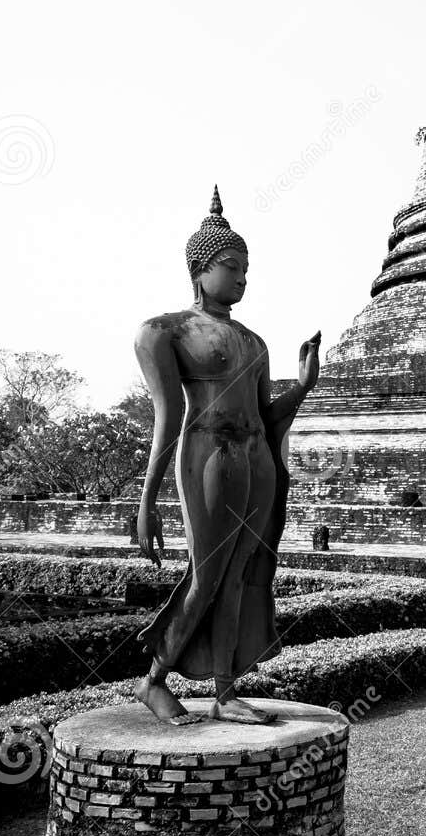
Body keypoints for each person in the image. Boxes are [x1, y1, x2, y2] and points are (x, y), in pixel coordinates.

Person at [132, 186, 319, 723]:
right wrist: (147, 503)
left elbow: (266, 418)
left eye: (245, 269)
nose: (241, 278)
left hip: (255, 459)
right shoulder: (164, 331)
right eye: (230, 265)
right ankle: (154, 679)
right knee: (206, 575)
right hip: (208, 454)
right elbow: (167, 419)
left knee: (239, 573)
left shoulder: (255, 342)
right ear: (199, 269)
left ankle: (224, 691)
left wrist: (302, 387)